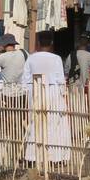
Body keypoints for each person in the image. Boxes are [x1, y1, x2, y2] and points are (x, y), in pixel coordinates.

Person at [21, 30, 72, 164]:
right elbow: (61, 80)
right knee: (55, 124)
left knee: (35, 123)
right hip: (53, 92)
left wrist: (29, 95)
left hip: (36, 92)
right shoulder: (56, 58)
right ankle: (55, 158)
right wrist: (64, 96)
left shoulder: (31, 58)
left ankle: (33, 157)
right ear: (51, 43)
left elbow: (25, 80)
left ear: (38, 43)